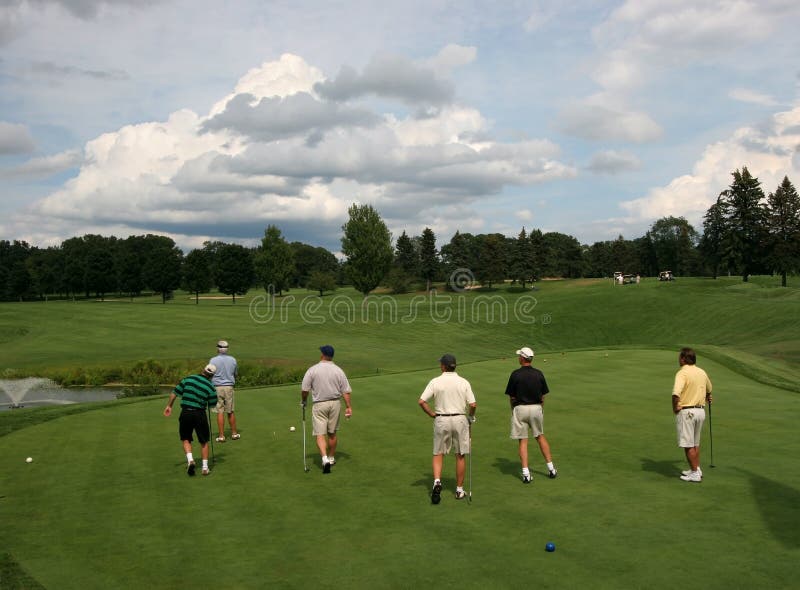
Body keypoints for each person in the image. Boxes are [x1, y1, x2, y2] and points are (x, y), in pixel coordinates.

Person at [418, 353, 477, 503]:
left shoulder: (435, 381)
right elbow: (473, 404)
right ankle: (459, 490)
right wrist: (470, 417)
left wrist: (432, 414)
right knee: (460, 454)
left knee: (438, 453)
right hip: (460, 419)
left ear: (443, 366)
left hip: (441, 419)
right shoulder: (463, 382)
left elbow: (421, 401)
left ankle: (437, 482)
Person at [504, 346, 557, 483]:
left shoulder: (515, 374)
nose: (518, 358)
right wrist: (541, 409)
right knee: (539, 436)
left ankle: (526, 474)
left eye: (519, 356)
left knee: (523, 440)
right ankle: (551, 469)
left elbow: (511, 396)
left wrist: (513, 410)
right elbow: (543, 396)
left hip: (520, 409)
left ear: (522, 358)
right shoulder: (539, 373)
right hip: (536, 408)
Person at [300, 345, 352, 473]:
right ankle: (331, 457)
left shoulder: (313, 370)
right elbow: (345, 391)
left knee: (320, 434)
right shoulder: (339, 370)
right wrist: (348, 407)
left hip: (319, 404)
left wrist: (304, 401)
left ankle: (324, 459)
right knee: (332, 433)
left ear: (322, 355)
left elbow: (305, 390)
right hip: (335, 404)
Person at [163, 364, 219, 476]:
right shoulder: (210, 386)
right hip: (200, 414)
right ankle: (204, 468)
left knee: (185, 438)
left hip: (186, 412)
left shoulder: (189, 379)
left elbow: (174, 393)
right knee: (204, 441)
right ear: (212, 376)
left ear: (203, 370)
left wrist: (169, 406)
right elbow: (213, 404)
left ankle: (190, 460)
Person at [672, 347, 713, 482]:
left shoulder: (682, 373)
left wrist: (675, 408)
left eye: (680, 357)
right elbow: (709, 388)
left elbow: (676, 393)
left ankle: (695, 473)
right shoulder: (701, 372)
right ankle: (696, 468)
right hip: (700, 411)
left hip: (687, 411)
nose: (679, 359)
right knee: (695, 443)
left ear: (683, 359)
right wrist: (708, 396)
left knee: (688, 444)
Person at [210, 340, 240, 443]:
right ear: (227, 349)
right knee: (230, 410)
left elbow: (210, 373)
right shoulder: (233, 360)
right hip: (229, 387)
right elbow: (236, 374)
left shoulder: (213, 360)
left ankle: (222, 436)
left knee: (220, 411)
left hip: (217, 387)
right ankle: (234, 434)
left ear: (218, 348)